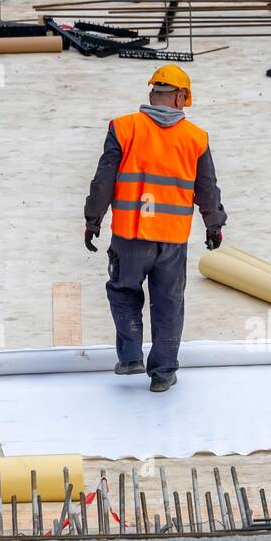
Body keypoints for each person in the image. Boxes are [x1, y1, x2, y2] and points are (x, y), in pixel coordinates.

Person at [83, 65, 227, 392]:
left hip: (130, 237)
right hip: (172, 240)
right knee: (168, 303)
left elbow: (103, 181)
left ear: (152, 94)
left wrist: (93, 220)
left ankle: (131, 356)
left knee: (123, 292)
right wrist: (213, 224)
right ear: (180, 97)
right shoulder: (196, 138)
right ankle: (162, 374)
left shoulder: (123, 128)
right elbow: (207, 189)